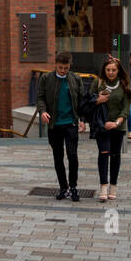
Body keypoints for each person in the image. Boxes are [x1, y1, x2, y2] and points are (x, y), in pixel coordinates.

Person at [36, 51, 88, 202]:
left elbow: (81, 101)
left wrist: (83, 119)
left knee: (72, 156)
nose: (63, 70)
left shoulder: (76, 79)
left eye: (66, 68)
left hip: (71, 123)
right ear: (55, 65)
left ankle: (73, 187)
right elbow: (40, 98)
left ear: (69, 65)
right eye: (60, 68)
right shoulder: (46, 79)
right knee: (58, 157)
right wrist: (43, 111)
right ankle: (63, 187)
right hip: (54, 125)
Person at [90, 57, 131, 201]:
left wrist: (116, 123)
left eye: (114, 70)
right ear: (104, 70)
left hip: (118, 126)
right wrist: (97, 100)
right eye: (108, 70)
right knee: (103, 153)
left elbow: (126, 108)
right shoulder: (98, 83)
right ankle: (103, 186)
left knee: (115, 155)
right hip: (101, 126)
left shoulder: (124, 84)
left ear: (118, 70)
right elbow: (88, 102)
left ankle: (113, 185)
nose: (111, 73)